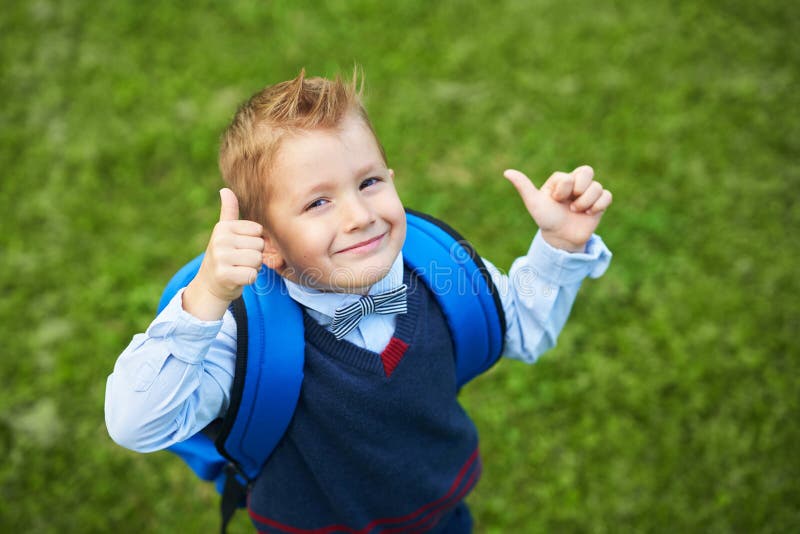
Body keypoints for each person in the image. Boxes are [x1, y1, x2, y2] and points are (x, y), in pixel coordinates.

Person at [105, 70, 613, 533]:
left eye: (368, 182)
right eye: (317, 202)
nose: (358, 216)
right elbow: (136, 422)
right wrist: (207, 299)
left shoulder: (441, 274)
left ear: (392, 178)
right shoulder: (249, 339)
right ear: (269, 246)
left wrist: (560, 249)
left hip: (439, 515)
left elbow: (522, 331)